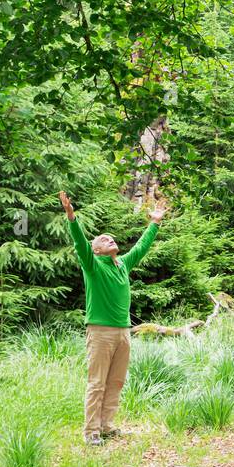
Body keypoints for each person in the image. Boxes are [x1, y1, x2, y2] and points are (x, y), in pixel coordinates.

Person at [60, 190, 164, 446]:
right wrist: (72, 217)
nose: (109, 239)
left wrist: (155, 222)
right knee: (97, 382)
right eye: (103, 239)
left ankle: (106, 427)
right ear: (96, 250)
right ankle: (91, 432)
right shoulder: (93, 265)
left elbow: (141, 247)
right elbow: (80, 243)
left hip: (123, 331)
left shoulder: (122, 265)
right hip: (100, 332)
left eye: (111, 238)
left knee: (116, 381)